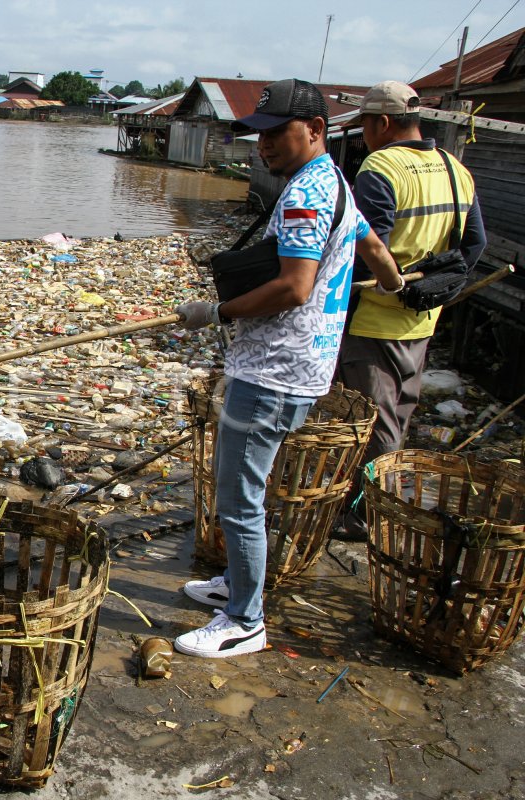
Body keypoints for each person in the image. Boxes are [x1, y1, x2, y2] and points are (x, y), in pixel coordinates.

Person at [173, 79, 404, 659]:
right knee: (248, 488)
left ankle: (245, 620)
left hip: (272, 372)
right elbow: (371, 245)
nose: (265, 146)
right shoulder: (336, 184)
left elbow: (295, 287)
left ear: (315, 130)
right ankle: (236, 583)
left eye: (277, 133)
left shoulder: (305, 195)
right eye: (261, 134)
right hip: (304, 368)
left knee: (239, 498)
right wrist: (395, 281)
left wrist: (215, 312)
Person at [334, 80, 487, 540]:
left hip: (375, 317)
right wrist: (437, 288)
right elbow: (473, 244)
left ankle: (364, 517)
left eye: (364, 125)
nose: (363, 135)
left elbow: (368, 246)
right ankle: (372, 504)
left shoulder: (381, 166)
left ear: (382, 122)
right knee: (397, 413)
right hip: (423, 317)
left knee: (371, 421)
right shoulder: (455, 167)